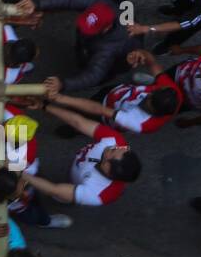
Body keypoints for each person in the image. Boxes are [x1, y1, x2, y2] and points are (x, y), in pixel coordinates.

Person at [22, 103, 140, 208]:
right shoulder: (117, 143)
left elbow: (54, 190)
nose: (114, 146)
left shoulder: (98, 194)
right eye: (119, 149)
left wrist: (20, 174)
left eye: (112, 151)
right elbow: (78, 122)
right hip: (79, 171)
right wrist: (44, 106)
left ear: (108, 169)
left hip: (77, 183)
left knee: (60, 196)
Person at [42, 72, 181, 135]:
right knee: (91, 100)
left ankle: (73, 129)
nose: (149, 94)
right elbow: (154, 65)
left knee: (84, 119)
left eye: (149, 99)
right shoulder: (169, 91)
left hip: (104, 116)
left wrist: (62, 99)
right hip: (113, 93)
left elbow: (99, 109)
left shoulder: (139, 123)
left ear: (154, 110)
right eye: (152, 92)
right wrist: (142, 54)